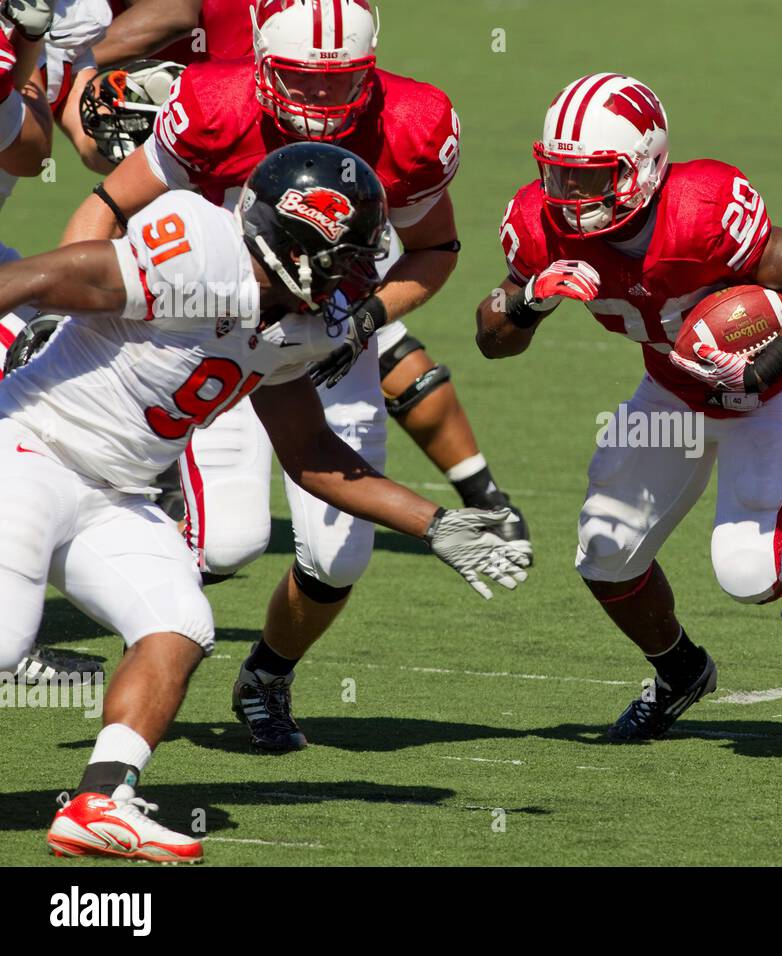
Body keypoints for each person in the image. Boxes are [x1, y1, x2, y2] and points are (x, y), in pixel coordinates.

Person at [0, 143, 529, 862]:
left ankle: (100, 802)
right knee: (5, 638)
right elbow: (31, 279)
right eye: (345, 261)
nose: (359, 280)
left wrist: (435, 524)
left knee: (178, 621)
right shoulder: (195, 252)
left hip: (117, 494)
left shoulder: (299, 326)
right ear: (294, 244)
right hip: (31, 449)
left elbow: (311, 453)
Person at [61, 0, 530, 751]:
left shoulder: (413, 123)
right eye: (300, 83)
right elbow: (109, 205)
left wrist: (364, 319)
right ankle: (140, 612)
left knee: (338, 557)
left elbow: (434, 250)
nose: (319, 104)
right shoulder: (213, 101)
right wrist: (83, 317)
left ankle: (268, 674)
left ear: (371, 71)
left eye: (339, 83)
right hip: (215, 331)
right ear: (259, 61)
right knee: (227, 545)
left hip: (321, 331)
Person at [476, 73, 782, 739]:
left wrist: (762, 365)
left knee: (752, 578)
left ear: (647, 167)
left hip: (761, 397)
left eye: (590, 179)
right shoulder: (540, 228)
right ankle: (682, 671)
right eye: (559, 176)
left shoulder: (705, 208)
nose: (568, 198)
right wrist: (529, 301)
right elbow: (492, 342)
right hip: (669, 393)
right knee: (605, 552)